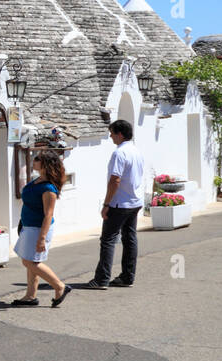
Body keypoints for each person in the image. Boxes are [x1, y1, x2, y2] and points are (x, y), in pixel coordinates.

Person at [84, 119, 145, 289]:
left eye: (112, 133)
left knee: (108, 240)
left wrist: (106, 204)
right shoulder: (136, 151)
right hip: (134, 201)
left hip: (120, 203)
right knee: (130, 238)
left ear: (120, 134)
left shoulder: (119, 153)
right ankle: (127, 277)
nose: (110, 136)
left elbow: (115, 180)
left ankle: (102, 279)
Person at [10, 151, 71, 307]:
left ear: (45, 164)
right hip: (28, 226)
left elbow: (48, 215)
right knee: (33, 261)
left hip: (38, 229)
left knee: (29, 262)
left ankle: (59, 286)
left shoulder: (48, 188)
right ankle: (30, 296)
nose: (34, 160)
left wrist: (42, 238)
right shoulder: (37, 181)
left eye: (37, 159)